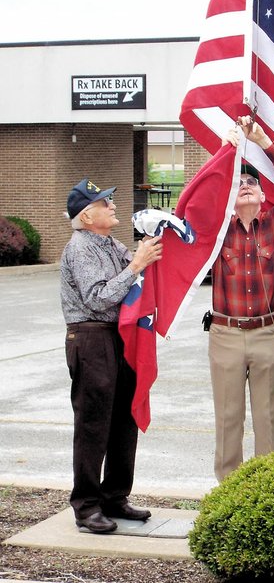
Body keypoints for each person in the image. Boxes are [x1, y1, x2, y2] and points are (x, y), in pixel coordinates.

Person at [60, 178, 163, 533]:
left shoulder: (107, 242)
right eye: (105, 203)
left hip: (119, 336)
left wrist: (159, 237)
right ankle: (87, 506)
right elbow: (98, 297)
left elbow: (142, 261)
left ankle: (115, 496)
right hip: (91, 338)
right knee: (93, 424)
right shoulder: (81, 248)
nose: (113, 206)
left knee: (123, 418)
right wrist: (135, 265)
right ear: (87, 216)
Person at [207, 116, 274, 480]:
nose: (245, 185)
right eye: (239, 182)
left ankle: (265, 490)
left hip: (268, 332)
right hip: (225, 333)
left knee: (269, 417)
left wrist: (262, 141)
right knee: (228, 418)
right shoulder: (216, 230)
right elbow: (197, 197)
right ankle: (229, 491)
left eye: (252, 182)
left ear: (263, 196)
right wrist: (225, 151)